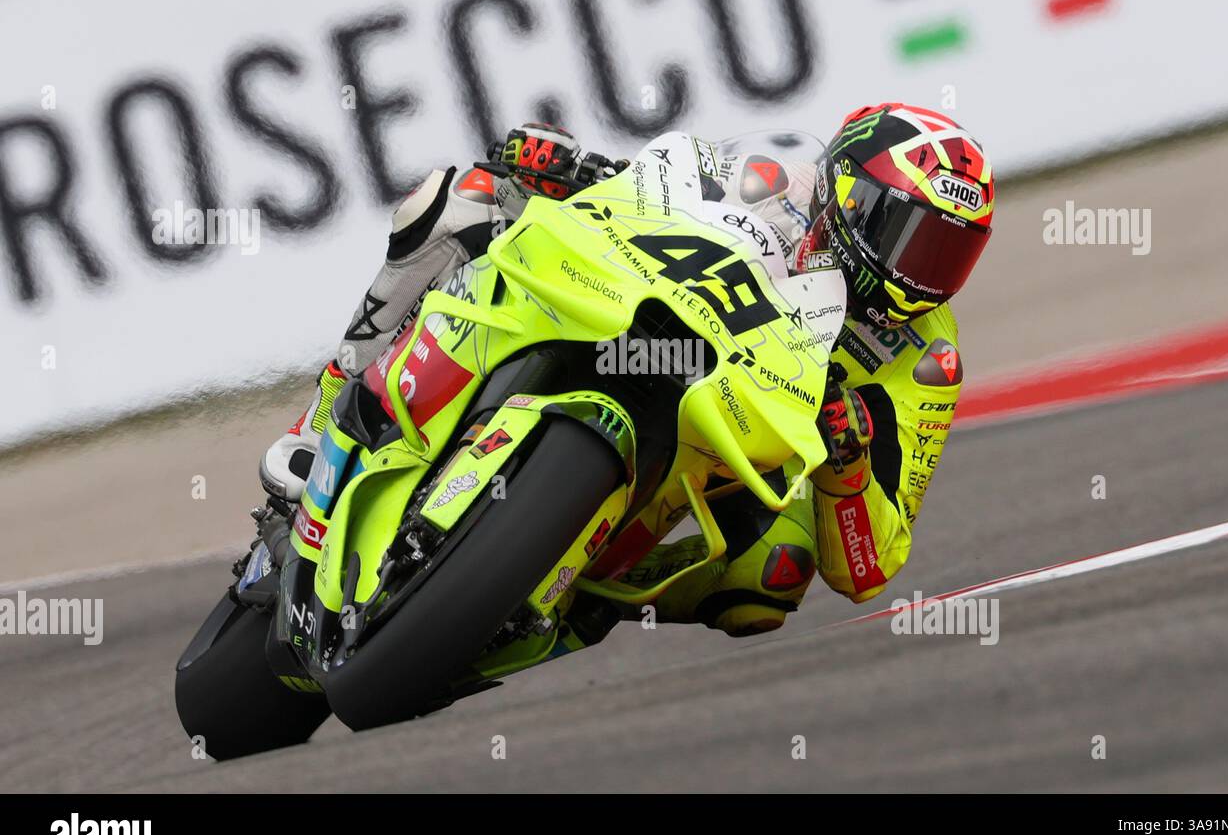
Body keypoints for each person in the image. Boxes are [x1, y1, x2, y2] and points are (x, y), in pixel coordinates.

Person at [261, 104, 994, 640]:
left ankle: (589, 596)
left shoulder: (925, 358)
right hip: (643, 311)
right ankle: (323, 419)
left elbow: (867, 567)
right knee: (456, 202)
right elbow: (662, 183)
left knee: (774, 574)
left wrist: (850, 461)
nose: (923, 275)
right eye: (913, 239)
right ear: (853, 198)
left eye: (948, 254)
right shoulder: (778, 178)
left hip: (739, 438)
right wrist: (575, 169)